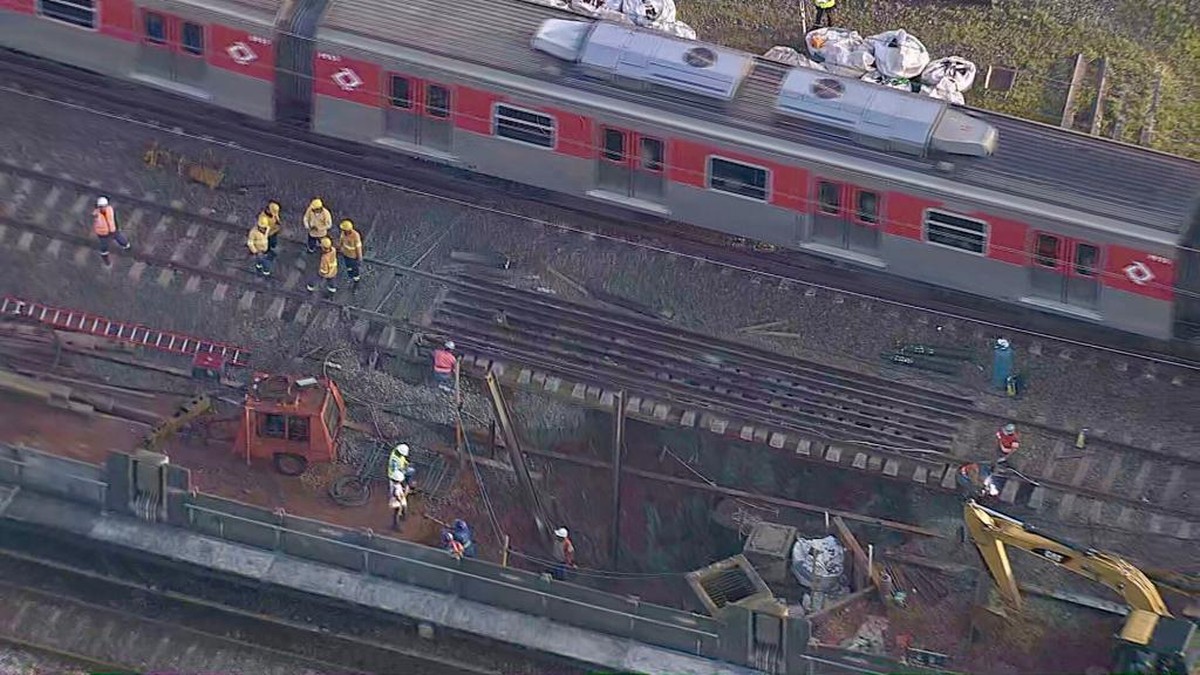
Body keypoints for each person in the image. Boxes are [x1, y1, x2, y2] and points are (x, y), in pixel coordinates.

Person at [92, 196, 131, 264]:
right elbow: (95, 217)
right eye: (101, 206)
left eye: (104, 206)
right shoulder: (96, 214)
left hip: (112, 230)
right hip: (103, 233)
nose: (103, 208)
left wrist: (117, 227)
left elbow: (114, 218)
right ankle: (105, 257)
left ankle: (127, 249)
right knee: (104, 246)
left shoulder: (110, 209)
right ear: (98, 207)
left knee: (121, 240)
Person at [337, 219, 364, 283]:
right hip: (345, 253)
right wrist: (339, 248)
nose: (343, 231)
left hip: (353, 255)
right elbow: (341, 240)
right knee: (348, 264)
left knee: (354, 266)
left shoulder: (355, 236)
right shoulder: (343, 233)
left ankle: (356, 277)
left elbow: (358, 247)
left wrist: (359, 257)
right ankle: (350, 274)